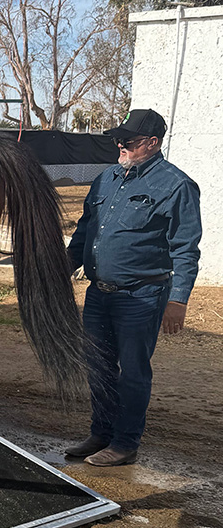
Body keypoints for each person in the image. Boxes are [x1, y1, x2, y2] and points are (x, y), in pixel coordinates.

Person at [65, 108, 201, 466]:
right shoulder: (106, 178)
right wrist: (62, 268)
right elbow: (84, 232)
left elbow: (186, 249)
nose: (120, 145)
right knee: (98, 367)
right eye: (117, 139)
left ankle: (125, 444)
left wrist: (178, 301)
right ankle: (101, 434)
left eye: (128, 140)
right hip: (99, 294)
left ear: (153, 143)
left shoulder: (176, 186)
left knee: (133, 372)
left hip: (142, 296)